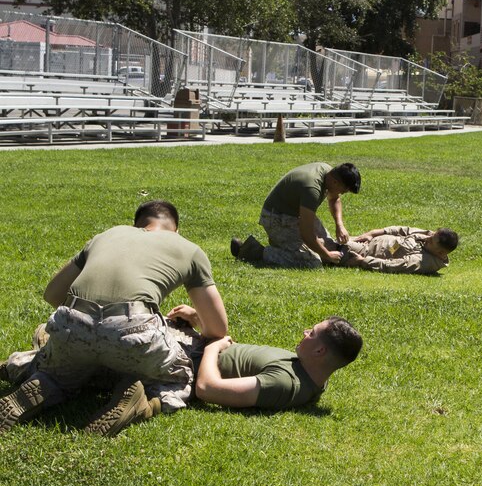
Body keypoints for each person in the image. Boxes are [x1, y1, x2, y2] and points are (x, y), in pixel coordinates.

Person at [0, 200, 229, 436]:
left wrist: (91, 324)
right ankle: (146, 404)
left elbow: (52, 294)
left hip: (71, 321)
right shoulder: (188, 249)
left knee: (65, 370)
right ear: (176, 230)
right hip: (133, 328)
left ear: (137, 225)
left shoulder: (107, 235)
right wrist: (194, 316)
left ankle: (45, 381)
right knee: (181, 374)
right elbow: (217, 329)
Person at [165, 305, 362, 410]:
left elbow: (207, 389)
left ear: (319, 351)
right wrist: (199, 321)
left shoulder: (283, 383)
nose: (305, 331)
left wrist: (213, 347)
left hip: (183, 359)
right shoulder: (312, 370)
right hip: (196, 344)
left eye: (312, 333)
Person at [231, 162, 361, 267]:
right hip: (275, 218)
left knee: (328, 246)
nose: (342, 194)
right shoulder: (312, 189)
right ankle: (254, 251)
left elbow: (334, 199)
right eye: (343, 190)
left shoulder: (329, 172)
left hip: (295, 214)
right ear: (335, 182)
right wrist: (327, 255)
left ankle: (285, 244)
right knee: (312, 262)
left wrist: (339, 225)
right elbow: (307, 234)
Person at [340, 226, 459, 275]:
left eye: (431, 241)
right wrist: (372, 233)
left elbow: (393, 265)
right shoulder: (431, 238)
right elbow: (403, 230)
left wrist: (362, 261)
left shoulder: (424, 261)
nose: (427, 238)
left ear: (440, 253)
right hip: (369, 241)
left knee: (336, 245)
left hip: (365, 251)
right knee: (337, 238)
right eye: (431, 235)